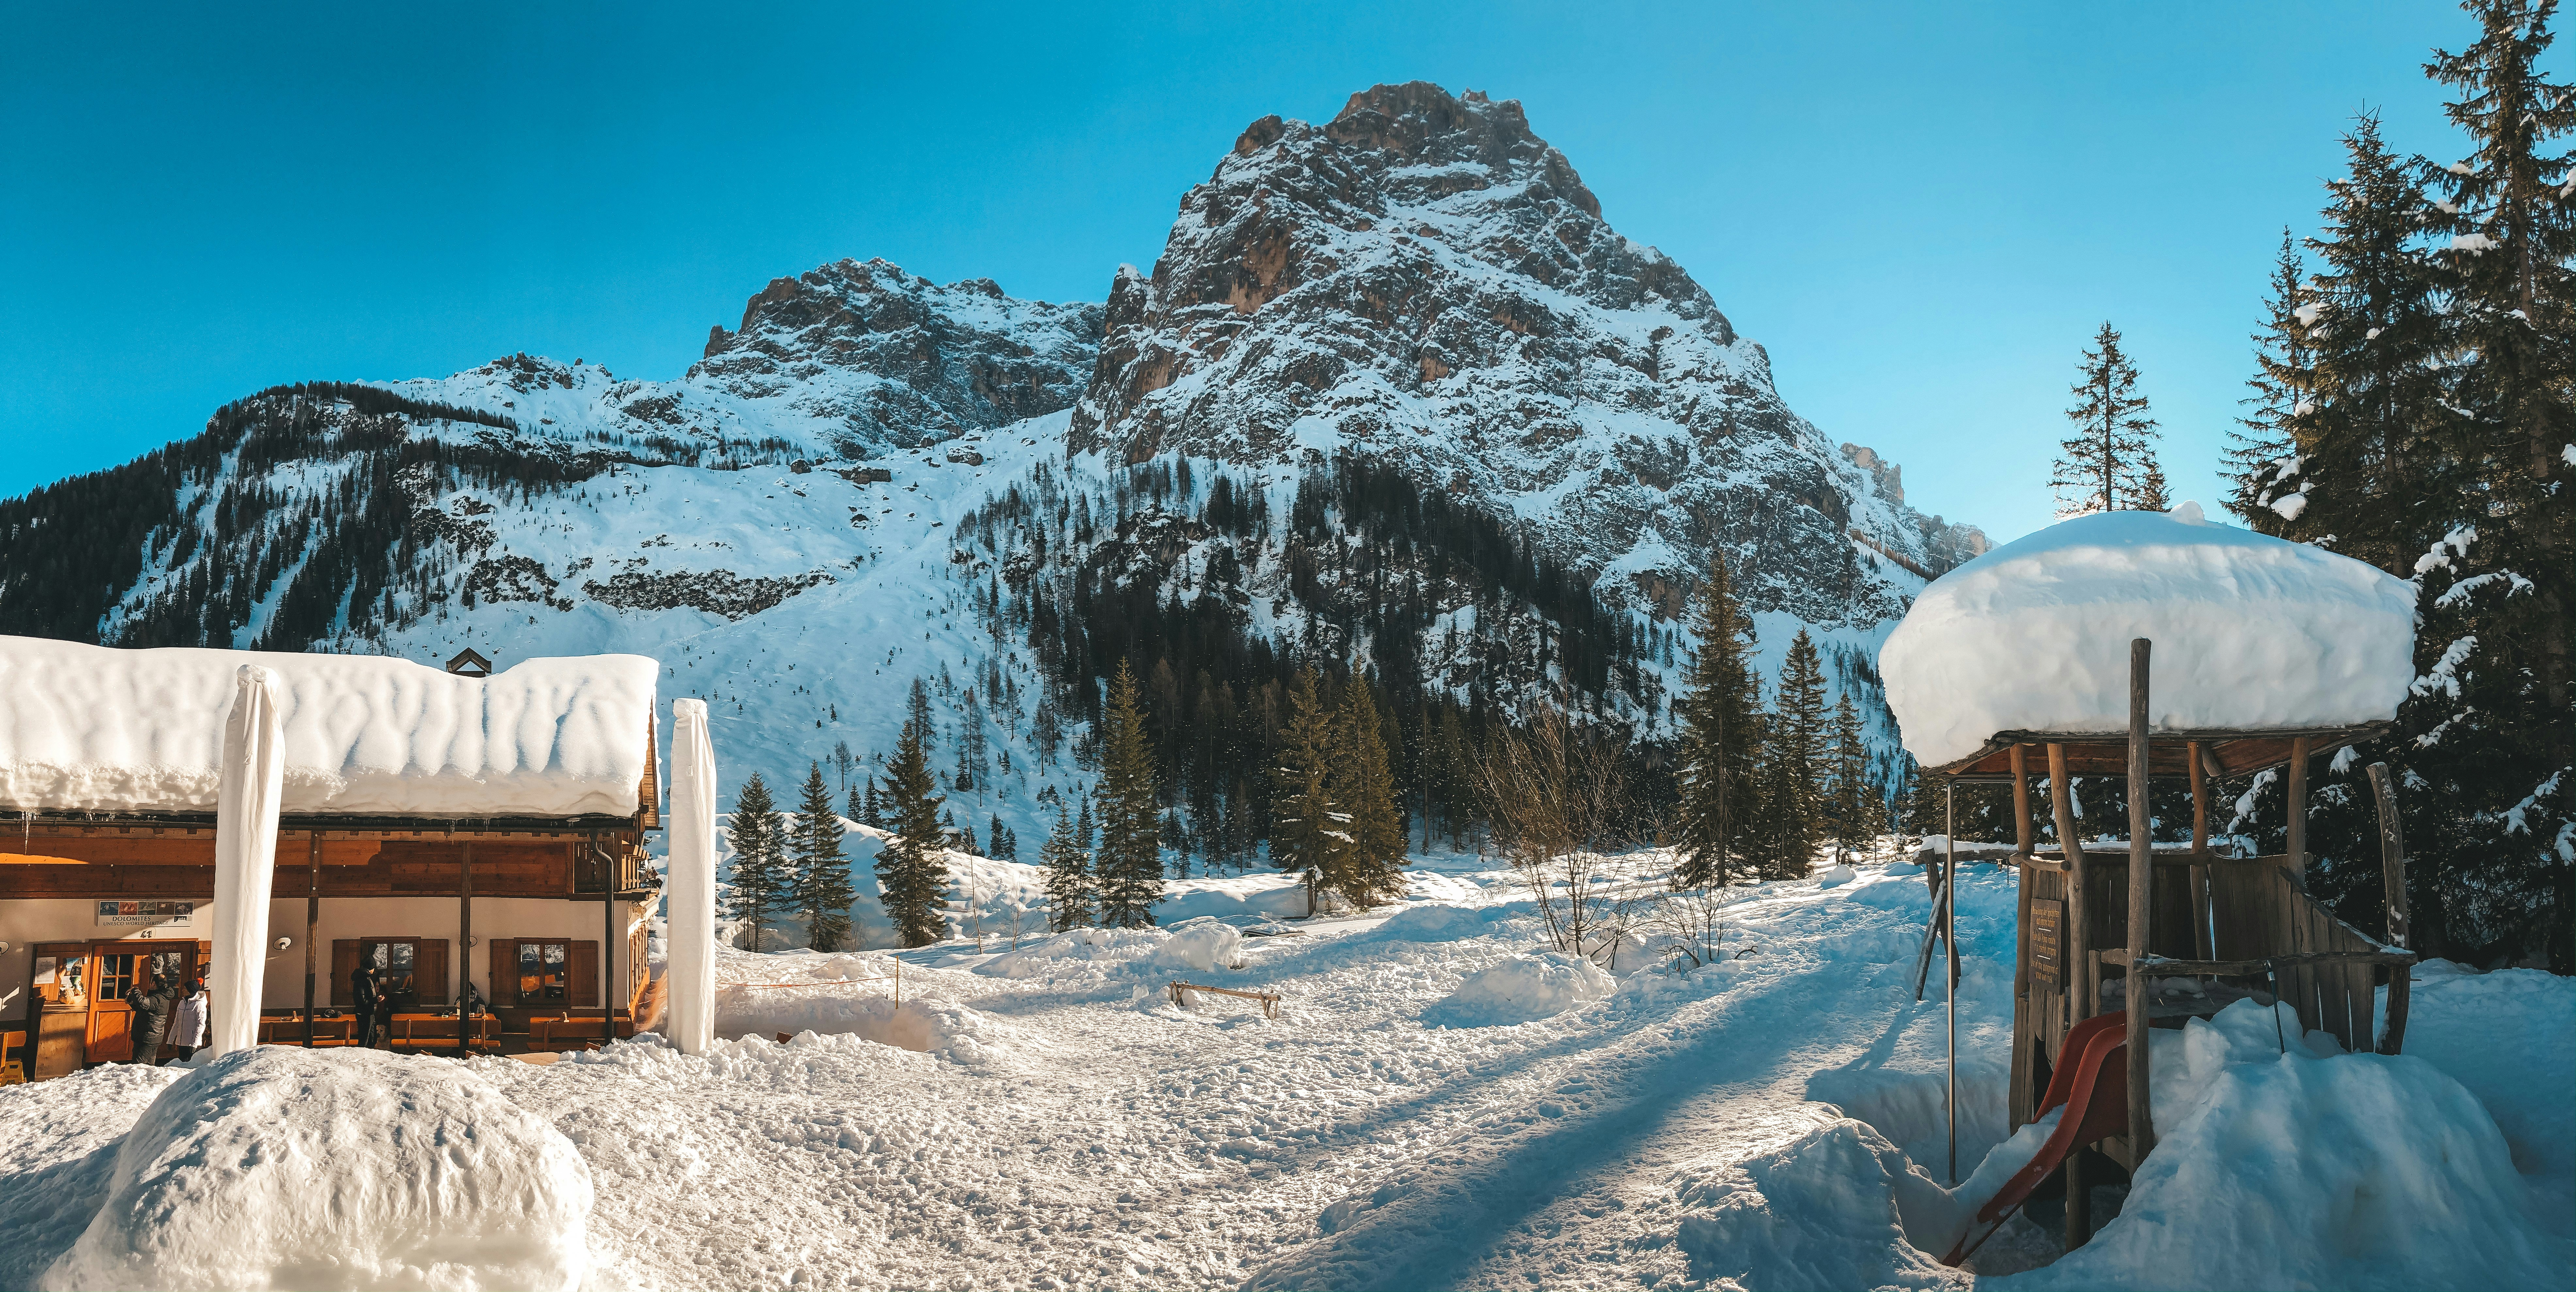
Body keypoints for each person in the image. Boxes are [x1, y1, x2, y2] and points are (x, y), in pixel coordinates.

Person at [124, 972, 177, 1065]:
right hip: (153, 1037)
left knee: (139, 1066)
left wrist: (135, 990)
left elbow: (143, 1003)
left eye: (151, 982)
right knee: (149, 1067)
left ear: (154, 984)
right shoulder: (162, 996)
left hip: (147, 1038)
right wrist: (132, 1003)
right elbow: (145, 1010)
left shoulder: (157, 998)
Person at [167, 977, 209, 1061]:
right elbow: (177, 1023)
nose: (183, 990)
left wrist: (195, 1044)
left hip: (193, 1045)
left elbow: (201, 1025)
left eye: (185, 989)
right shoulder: (182, 1003)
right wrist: (170, 1041)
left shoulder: (199, 1005)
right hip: (181, 1044)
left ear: (190, 991)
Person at [351, 961, 382, 1049]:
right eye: (373, 968)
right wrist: (376, 1000)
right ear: (370, 969)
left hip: (370, 1013)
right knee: (364, 1041)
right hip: (365, 1014)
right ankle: (362, 1060)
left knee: (372, 1040)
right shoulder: (362, 980)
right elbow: (362, 1001)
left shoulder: (366, 978)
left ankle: (369, 1059)